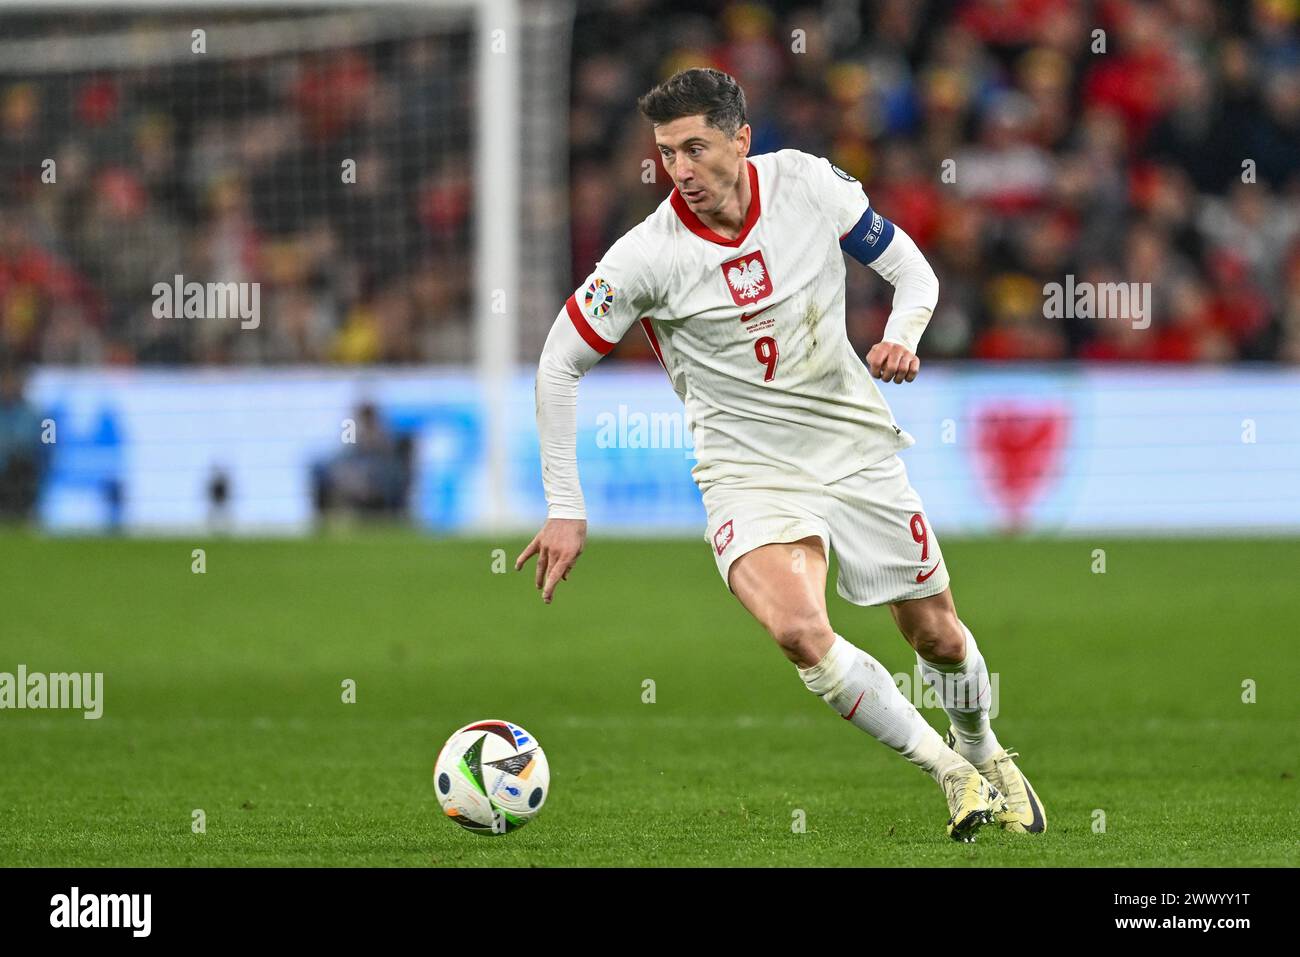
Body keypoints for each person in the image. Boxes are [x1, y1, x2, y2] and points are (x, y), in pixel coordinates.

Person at [516, 68, 1044, 841]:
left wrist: (902, 335)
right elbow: (558, 362)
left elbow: (912, 271)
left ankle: (985, 749)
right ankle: (950, 771)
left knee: (936, 634)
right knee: (799, 629)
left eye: (696, 148)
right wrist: (566, 506)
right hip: (746, 472)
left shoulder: (806, 185)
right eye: (667, 154)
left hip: (853, 447)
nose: (682, 171)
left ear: (741, 139)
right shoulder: (643, 258)